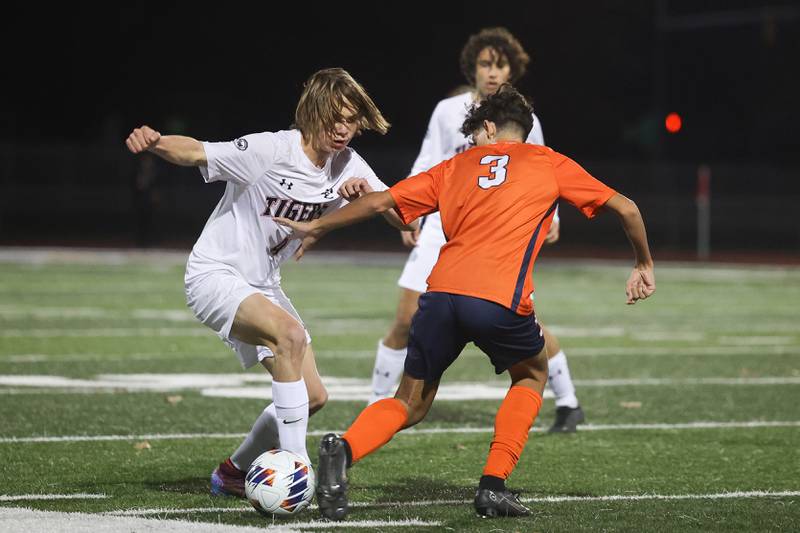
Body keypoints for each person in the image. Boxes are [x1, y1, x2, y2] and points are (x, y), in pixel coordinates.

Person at [275, 85, 655, 520]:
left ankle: (343, 449)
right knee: (532, 373)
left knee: (410, 401)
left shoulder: (454, 166)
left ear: (490, 127)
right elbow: (626, 208)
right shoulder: (550, 163)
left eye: (474, 133)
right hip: (498, 299)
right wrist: (643, 263)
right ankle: (493, 485)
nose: (472, 141)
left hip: (439, 295)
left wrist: (318, 227)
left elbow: (384, 202)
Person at [125, 68, 414, 500]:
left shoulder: (348, 165)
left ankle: (233, 472)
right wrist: (156, 141)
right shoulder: (270, 149)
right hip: (215, 273)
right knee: (290, 336)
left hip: (263, 284)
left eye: (351, 119)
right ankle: (298, 472)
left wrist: (367, 199)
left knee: (313, 395)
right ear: (312, 111)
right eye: (334, 115)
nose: (342, 128)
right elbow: (197, 153)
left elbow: (399, 214)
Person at [368, 27, 584, 433]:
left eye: (501, 64)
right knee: (403, 319)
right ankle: (378, 406)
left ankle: (568, 402)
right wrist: (409, 211)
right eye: (485, 63)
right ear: (473, 67)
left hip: (497, 233)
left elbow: (544, 170)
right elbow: (427, 163)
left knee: (521, 320)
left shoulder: (524, 120)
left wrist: (552, 216)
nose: (493, 72)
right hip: (443, 226)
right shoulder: (448, 111)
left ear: (512, 69)